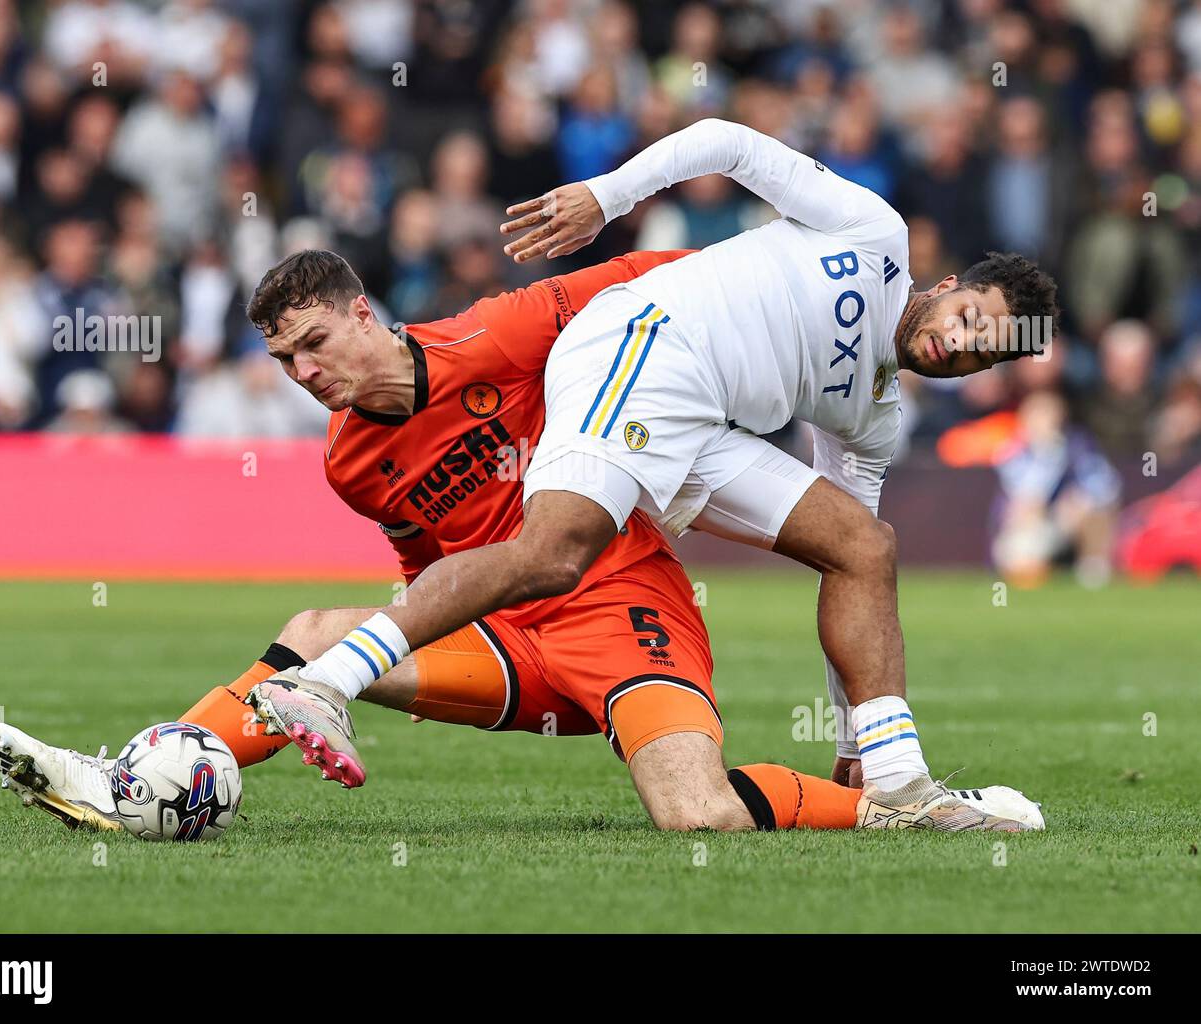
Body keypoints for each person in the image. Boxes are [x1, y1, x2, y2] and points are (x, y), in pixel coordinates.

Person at [280, 119, 1057, 830]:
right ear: (949, 285)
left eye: (983, 354)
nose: (962, 348)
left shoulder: (875, 418)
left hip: (694, 426)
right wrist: (605, 196)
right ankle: (327, 678)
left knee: (863, 544)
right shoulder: (875, 232)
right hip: (641, 342)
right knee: (556, 552)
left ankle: (898, 780)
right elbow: (730, 143)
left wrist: (855, 731)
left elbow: (850, 581)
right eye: (970, 323)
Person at [0, 248, 886, 836]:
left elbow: (658, 275)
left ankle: (889, 812)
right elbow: (426, 576)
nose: (304, 374)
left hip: (620, 603)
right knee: (315, 632)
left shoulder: (507, 333)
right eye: (285, 362)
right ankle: (136, 775)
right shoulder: (352, 462)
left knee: (701, 820)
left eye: (314, 344)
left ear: (364, 312)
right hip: (509, 643)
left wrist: (792, 283)